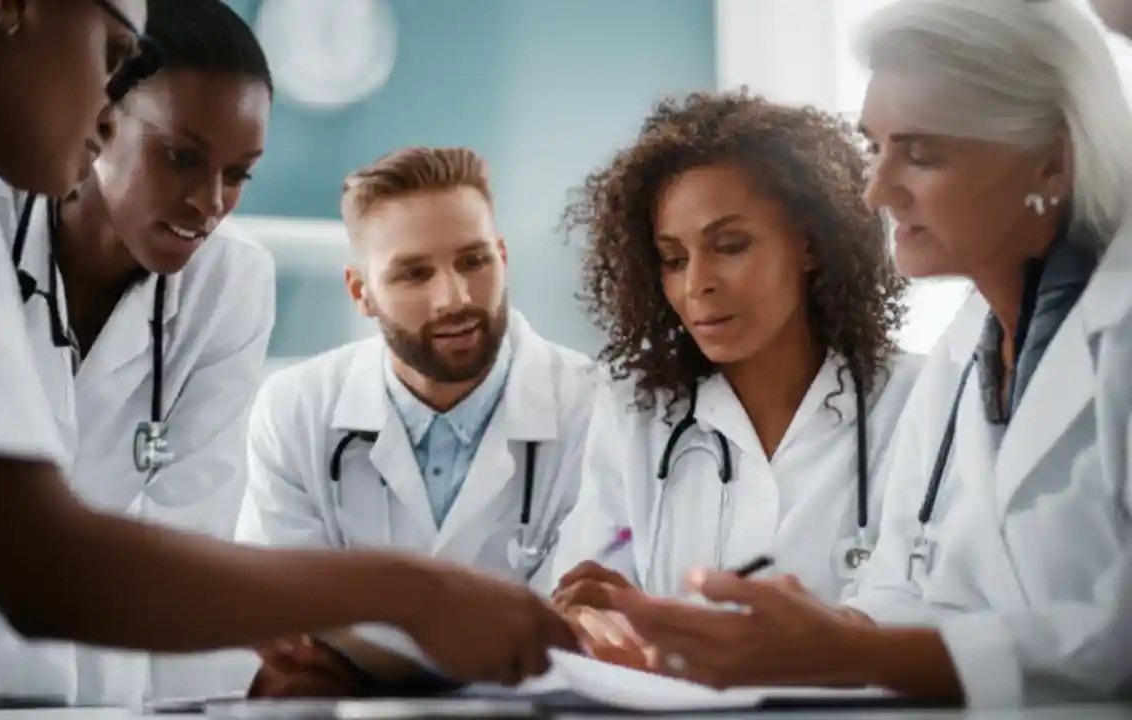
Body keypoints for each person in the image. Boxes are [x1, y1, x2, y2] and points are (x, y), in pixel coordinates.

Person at [0, 2, 574, 717]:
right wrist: (415, 593)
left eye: (240, 175)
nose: (104, 113)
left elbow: (162, 540)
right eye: (109, 53)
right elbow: (40, 564)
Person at [606, 0, 1132, 707]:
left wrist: (851, 647)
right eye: (875, 147)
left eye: (920, 153)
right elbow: (900, 585)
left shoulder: (1116, 334)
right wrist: (795, 635)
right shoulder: (959, 362)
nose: (877, 190)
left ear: (1050, 163)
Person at [547, 92, 922, 668]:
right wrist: (593, 621)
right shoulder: (637, 411)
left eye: (729, 246)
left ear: (809, 243)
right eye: (673, 259)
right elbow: (596, 588)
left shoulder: (915, 399)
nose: (698, 284)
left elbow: (931, 609)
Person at [0, 0, 277, 706]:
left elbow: (193, 532)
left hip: (103, 671)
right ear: (100, 120)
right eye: (180, 157)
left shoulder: (232, 283)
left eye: (239, 174)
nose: (209, 203)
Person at [236, 146, 597, 697]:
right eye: (414, 274)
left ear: (502, 257)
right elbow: (283, 616)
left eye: (474, 262)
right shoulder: (295, 409)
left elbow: (582, 629)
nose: (454, 298)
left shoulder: (594, 407)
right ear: (362, 292)